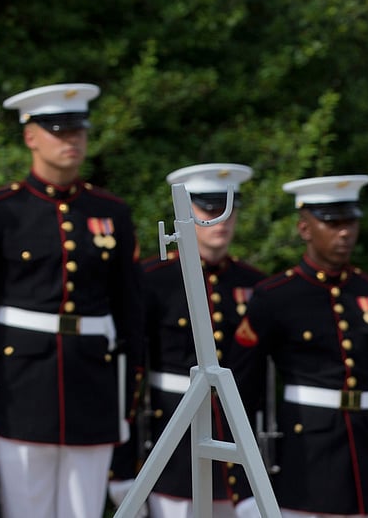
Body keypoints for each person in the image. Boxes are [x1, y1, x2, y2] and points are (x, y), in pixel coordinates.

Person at [0, 83, 142, 518]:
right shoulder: (0, 210)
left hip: (93, 386)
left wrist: (127, 408)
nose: (71, 140)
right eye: (58, 131)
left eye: (78, 130)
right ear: (30, 136)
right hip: (21, 389)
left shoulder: (111, 212)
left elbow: (130, 315)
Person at [228, 174, 368, 518]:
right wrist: (244, 485)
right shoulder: (276, 296)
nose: (345, 233)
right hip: (303, 461)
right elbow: (240, 393)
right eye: (332, 223)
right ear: (304, 228)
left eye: (350, 222)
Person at [108, 163, 267, 518]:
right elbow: (133, 370)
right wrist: (122, 464)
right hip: (172, 444)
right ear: (186, 211)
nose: (220, 221)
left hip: (239, 446)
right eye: (208, 209)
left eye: (228, 210)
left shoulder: (255, 284)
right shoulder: (153, 280)